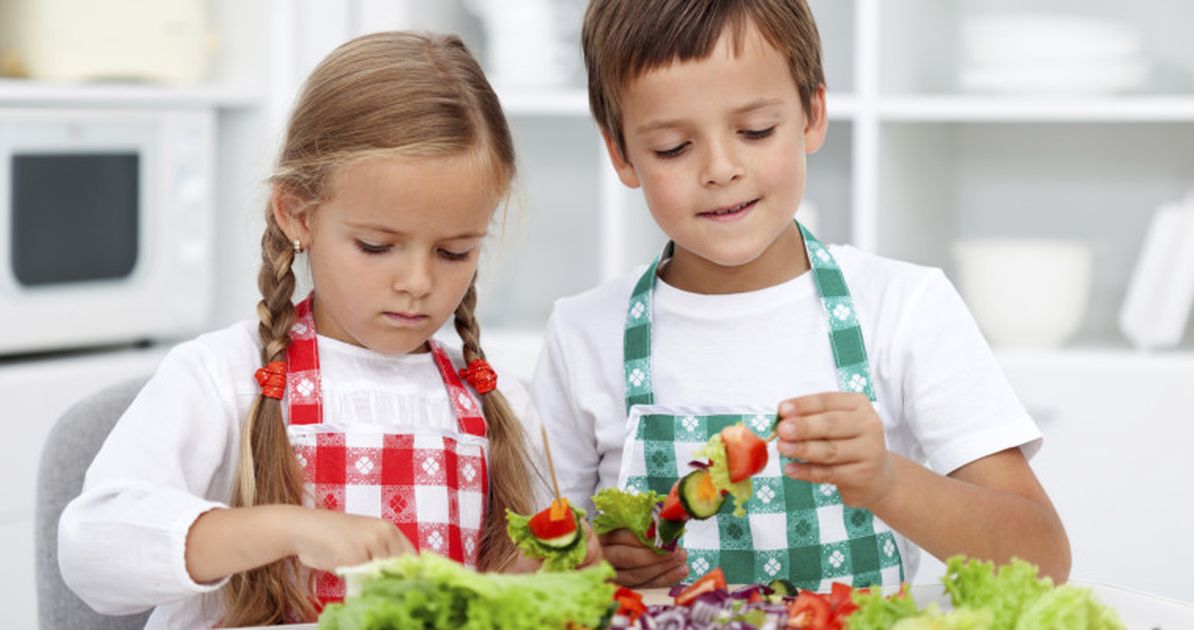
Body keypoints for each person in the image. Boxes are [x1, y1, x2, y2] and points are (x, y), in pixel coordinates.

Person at [531, 0, 1071, 591]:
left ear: (813, 114)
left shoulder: (903, 307)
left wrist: (889, 482)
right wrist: (599, 563)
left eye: (756, 131)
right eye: (672, 148)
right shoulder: (584, 333)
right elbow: (530, 562)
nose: (720, 168)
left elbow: (1042, 558)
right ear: (620, 153)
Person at [58, 31, 591, 628]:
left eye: (453, 252)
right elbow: (91, 550)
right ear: (298, 216)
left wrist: (552, 572)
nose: (417, 281)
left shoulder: (500, 402)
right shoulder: (223, 378)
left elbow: (529, 590)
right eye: (376, 245)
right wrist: (283, 529)